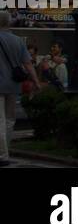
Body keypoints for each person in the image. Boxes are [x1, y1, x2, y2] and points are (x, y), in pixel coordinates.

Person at [0, 10, 39, 167]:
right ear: (9, 22)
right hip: (13, 85)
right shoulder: (18, 41)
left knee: (0, 120)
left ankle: (3, 155)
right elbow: (28, 64)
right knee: (9, 120)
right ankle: (5, 149)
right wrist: (36, 81)